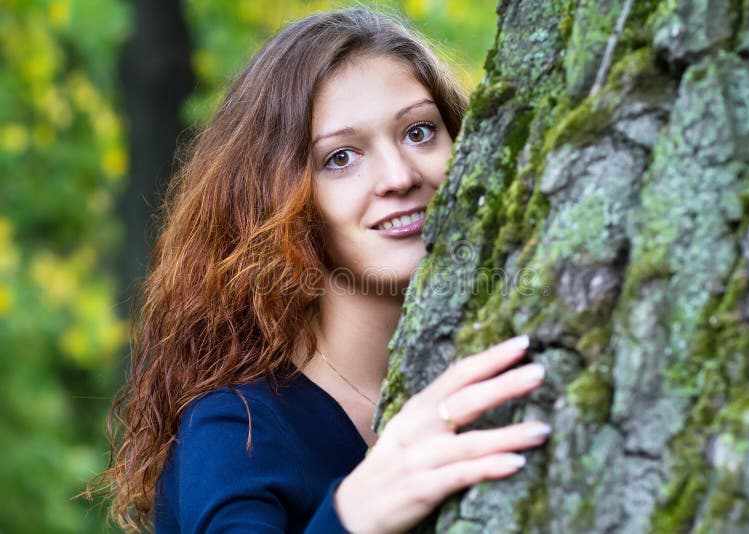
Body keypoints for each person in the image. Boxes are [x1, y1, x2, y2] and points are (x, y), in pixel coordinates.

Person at [90, 7, 551, 533]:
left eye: (420, 131)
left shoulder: (515, 352)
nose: (399, 176)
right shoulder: (234, 430)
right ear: (277, 198)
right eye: (340, 158)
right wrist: (355, 513)